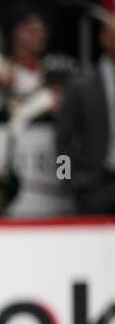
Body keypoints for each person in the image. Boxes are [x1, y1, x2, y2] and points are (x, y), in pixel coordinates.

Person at [55, 14, 115, 215]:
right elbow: (63, 138)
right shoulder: (81, 85)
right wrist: (66, 180)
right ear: (103, 37)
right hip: (93, 186)